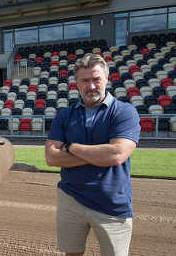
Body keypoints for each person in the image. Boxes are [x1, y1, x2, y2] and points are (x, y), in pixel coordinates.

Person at [45, 54, 140, 256]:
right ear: (76, 84)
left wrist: (69, 146)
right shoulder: (64, 116)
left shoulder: (124, 112)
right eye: (85, 81)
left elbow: (116, 155)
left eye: (96, 79)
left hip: (112, 202)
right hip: (70, 199)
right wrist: (99, 153)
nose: (91, 86)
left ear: (106, 78)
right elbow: (52, 158)